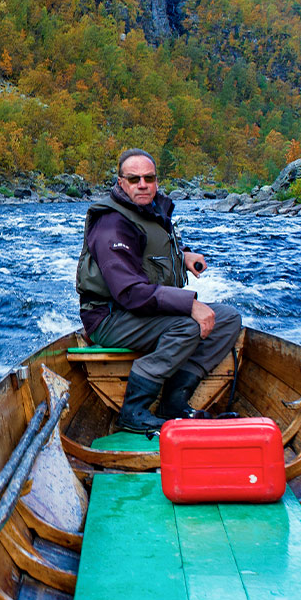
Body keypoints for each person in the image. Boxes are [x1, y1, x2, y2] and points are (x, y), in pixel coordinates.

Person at [75, 148, 243, 435]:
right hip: (110, 316)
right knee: (188, 326)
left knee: (227, 319)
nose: (143, 184)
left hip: (143, 310)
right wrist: (189, 305)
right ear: (120, 182)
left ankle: (174, 401)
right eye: (134, 178)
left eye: (149, 178)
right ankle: (134, 411)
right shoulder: (112, 224)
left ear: (156, 179)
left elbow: (154, 249)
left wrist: (184, 257)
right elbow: (129, 292)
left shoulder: (150, 209)